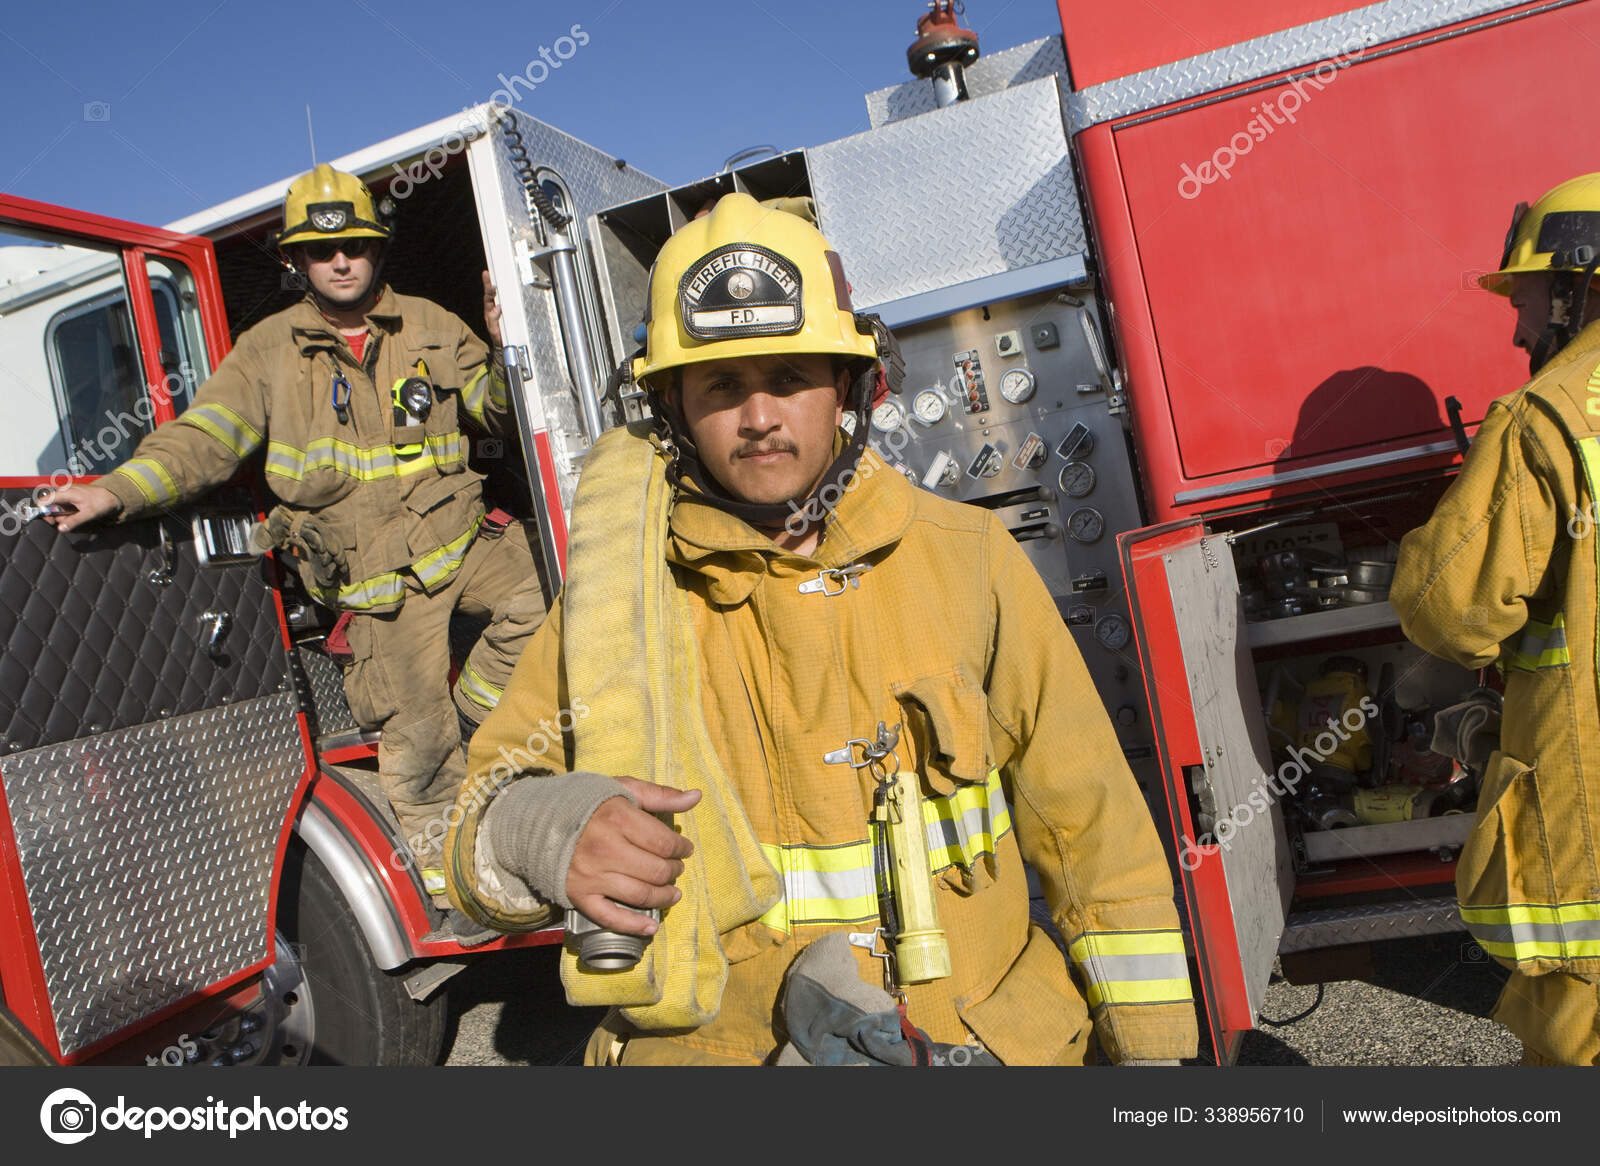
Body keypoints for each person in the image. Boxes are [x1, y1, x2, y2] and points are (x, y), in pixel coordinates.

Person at [444, 193, 1198, 1065]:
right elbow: (465, 841)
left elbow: (1095, 828)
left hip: (978, 1044)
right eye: (722, 386)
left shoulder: (968, 559)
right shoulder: (617, 610)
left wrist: (1151, 1052)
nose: (759, 416)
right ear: (673, 408)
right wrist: (549, 830)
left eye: (791, 377)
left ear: (846, 385)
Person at [42, 165, 547, 925]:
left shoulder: (435, 325)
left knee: (552, 595)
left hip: (465, 541)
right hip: (377, 584)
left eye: (354, 245)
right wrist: (119, 489)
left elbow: (496, 412)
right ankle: (453, 879)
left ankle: (481, 720)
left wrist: (512, 352)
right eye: (320, 250)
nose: (340, 261)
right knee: (417, 745)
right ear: (295, 262)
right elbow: (205, 439)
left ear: (378, 250)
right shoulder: (268, 352)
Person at [1392, 172, 1600, 1065]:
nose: (1518, 326)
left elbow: (1450, 608)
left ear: (1580, 283)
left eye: (1524, 297)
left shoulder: (1546, 415)